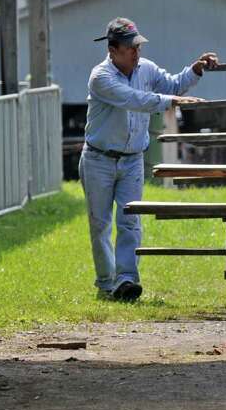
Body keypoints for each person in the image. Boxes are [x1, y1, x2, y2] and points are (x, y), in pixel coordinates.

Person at [81, 17, 217, 302]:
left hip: (131, 160)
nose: (136, 52)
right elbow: (135, 99)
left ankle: (127, 281)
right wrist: (170, 102)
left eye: (138, 46)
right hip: (98, 160)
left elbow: (174, 84)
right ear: (113, 49)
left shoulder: (147, 68)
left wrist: (195, 69)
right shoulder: (101, 77)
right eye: (131, 48)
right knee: (101, 224)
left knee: (131, 221)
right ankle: (107, 283)